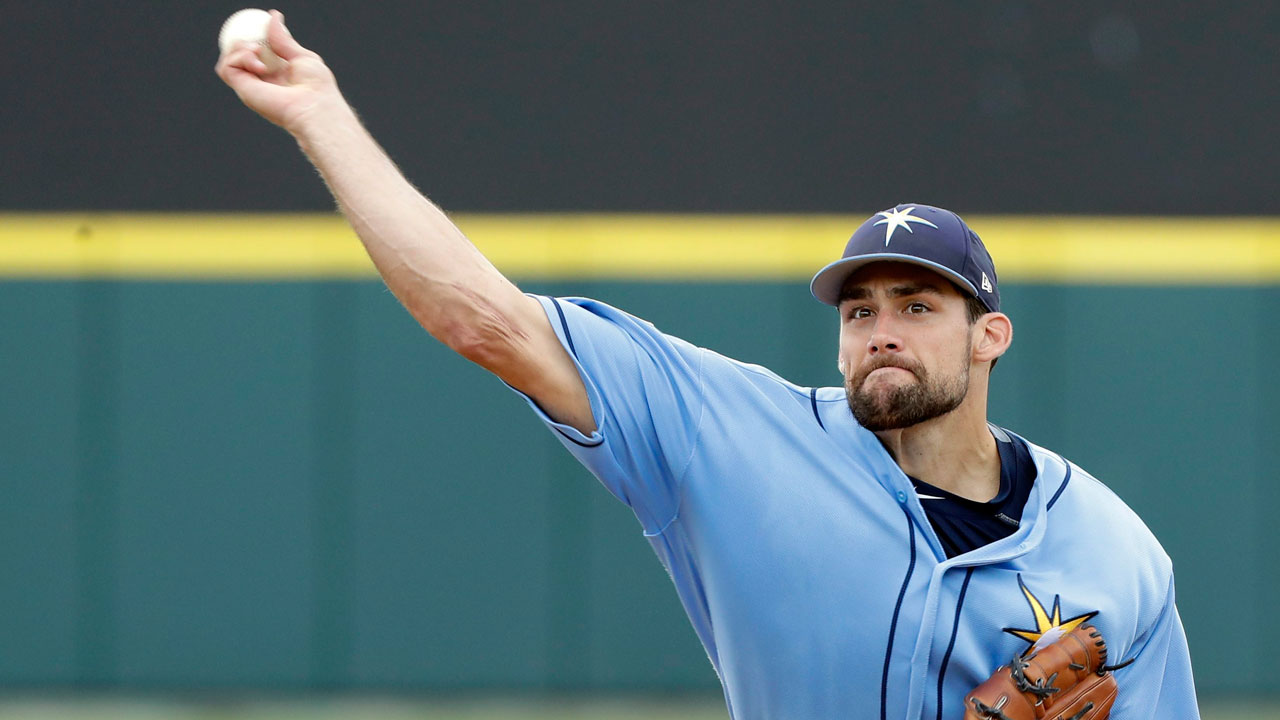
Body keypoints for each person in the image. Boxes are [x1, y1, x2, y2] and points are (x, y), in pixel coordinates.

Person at [216, 13, 1200, 719]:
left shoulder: (1113, 555)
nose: (879, 329)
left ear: (989, 335)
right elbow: (486, 323)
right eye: (858, 308)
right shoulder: (728, 436)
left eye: (916, 305)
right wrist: (318, 116)